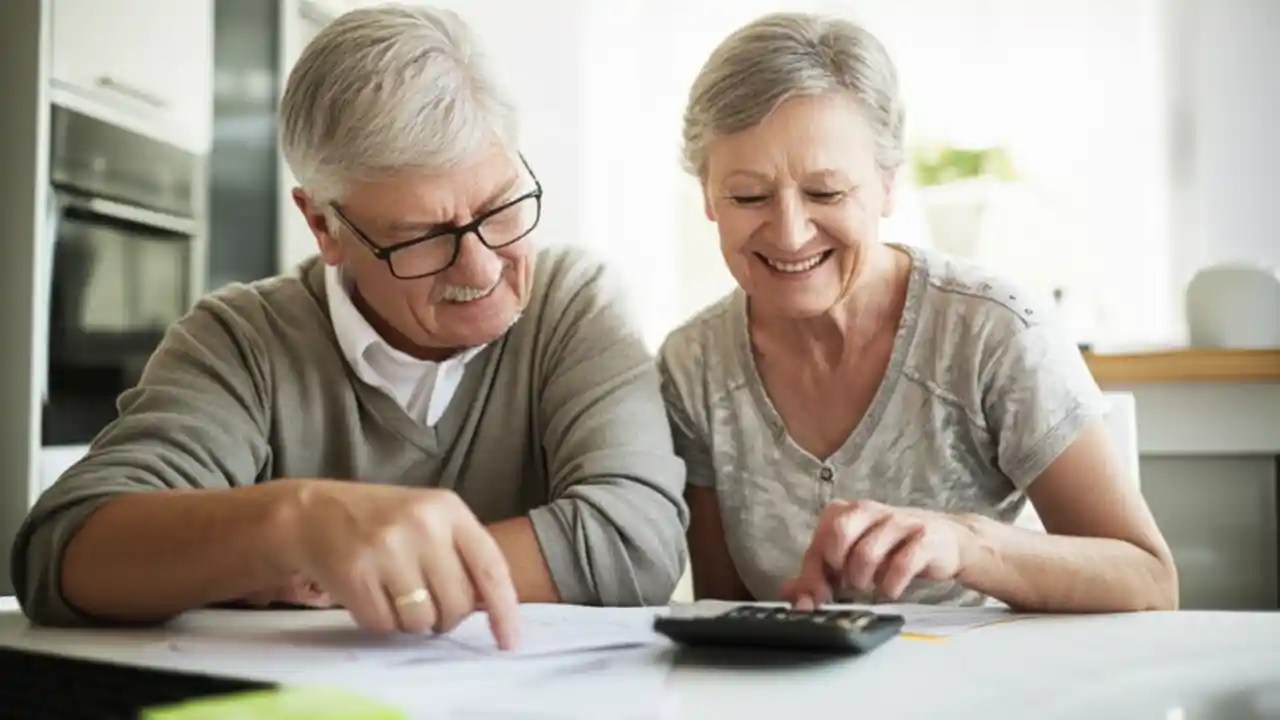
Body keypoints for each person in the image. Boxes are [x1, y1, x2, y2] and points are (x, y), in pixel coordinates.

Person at [11, 4, 688, 645]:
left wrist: (353, 576)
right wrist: (297, 522)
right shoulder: (244, 341)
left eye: (502, 207)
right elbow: (63, 550)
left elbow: (636, 543)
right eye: (421, 235)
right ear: (324, 226)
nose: (480, 268)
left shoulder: (572, 304)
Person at [659, 12, 1177, 611]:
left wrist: (965, 543)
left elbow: (1150, 582)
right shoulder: (692, 364)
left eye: (827, 192)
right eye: (748, 196)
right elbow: (725, 618)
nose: (791, 232)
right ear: (707, 197)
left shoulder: (990, 332)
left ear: (887, 186)